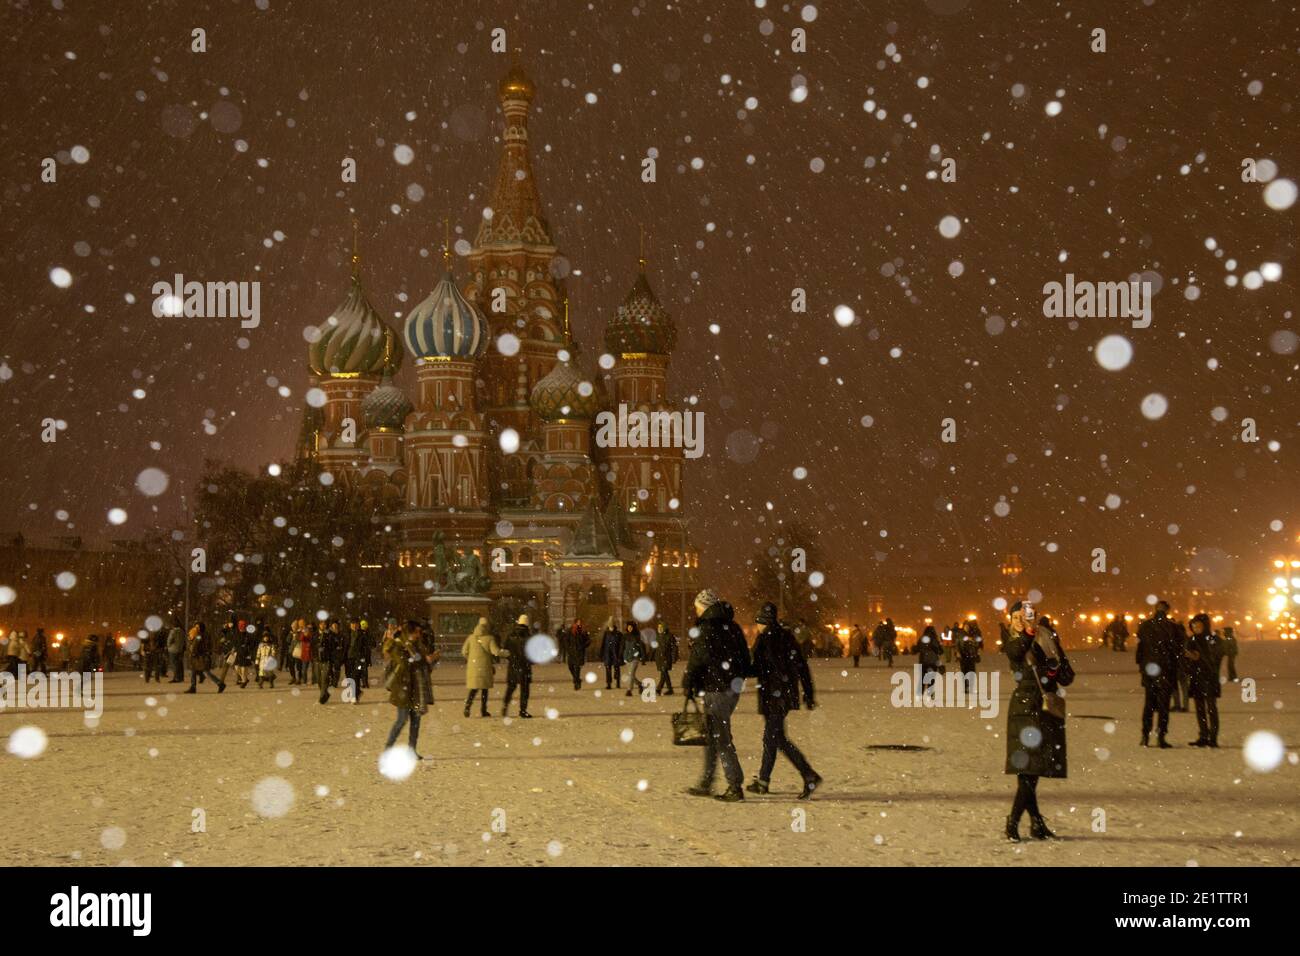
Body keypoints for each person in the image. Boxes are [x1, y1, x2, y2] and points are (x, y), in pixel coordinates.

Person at [1002, 601, 1068, 842]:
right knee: (1029, 770)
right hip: (1025, 706)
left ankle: (1035, 824)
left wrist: (1054, 668)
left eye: (1027, 615)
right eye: (1017, 616)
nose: (1022, 620)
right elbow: (1017, 653)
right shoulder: (1012, 638)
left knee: (1033, 770)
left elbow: (1067, 675)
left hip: (1046, 706)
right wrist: (1028, 632)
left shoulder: (1046, 637)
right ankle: (1014, 823)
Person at [746, 602, 822, 798]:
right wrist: (808, 693)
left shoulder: (763, 640)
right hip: (784, 695)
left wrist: (736, 669)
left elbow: (756, 669)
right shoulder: (787, 637)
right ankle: (763, 781)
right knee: (772, 738)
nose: (757, 626)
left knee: (775, 738)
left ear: (763, 622)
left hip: (772, 696)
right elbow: (802, 666)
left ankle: (809, 774)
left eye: (758, 623)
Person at [683, 588, 751, 802]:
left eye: (697, 607)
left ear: (703, 607)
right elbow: (744, 658)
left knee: (720, 736)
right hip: (732, 686)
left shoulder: (706, 628)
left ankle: (734, 785)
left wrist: (688, 681)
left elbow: (698, 659)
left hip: (716, 687)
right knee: (713, 734)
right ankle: (707, 781)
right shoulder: (733, 627)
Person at [385, 620, 437, 757]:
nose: (419, 635)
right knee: (401, 720)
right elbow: (404, 664)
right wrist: (423, 660)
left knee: (416, 721)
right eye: (417, 632)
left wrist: (430, 660)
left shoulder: (417, 646)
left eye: (420, 632)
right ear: (410, 632)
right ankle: (388, 748)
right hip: (403, 689)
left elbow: (423, 666)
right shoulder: (398, 645)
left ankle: (412, 750)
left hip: (416, 689)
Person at [1136, 600, 1180, 747]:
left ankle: (1145, 736)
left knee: (1149, 705)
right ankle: (1161, 736)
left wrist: (1143, 669)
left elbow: (1140, 650)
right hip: (1165, 671)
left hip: (1150, 671)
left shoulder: (1146, 626)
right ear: (1167, 611)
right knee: (1163, 706)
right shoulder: (1172, 627)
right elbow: (1176, 651)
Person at [1185, 613, 1222, 747]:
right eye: (1193, 626)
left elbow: (1216, 656)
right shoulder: (1191, 640)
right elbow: (1186, 657)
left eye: (1198, 626)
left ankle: (1213, 737)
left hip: (1209, 677)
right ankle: (1203, 735)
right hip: (1196, 677)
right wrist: (1188, 658)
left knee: (1211, 708)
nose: (1196, 628)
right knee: (1200, 709)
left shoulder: (1212, 639)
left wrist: (1198, 656)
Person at [462, 617, 504, 717]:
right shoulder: (490, 638)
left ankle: (467, 707)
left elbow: (464, 651)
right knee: (485, 690)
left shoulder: (471, 638)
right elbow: (495, 652)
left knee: (473, 689)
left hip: (473, 667)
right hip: (485, 667)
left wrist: (471, 660)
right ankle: (483, 710)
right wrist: (506, 653)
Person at [502, 614, 534, 718]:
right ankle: (523, 710)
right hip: (524, 666)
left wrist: (511, 659)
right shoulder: (528, 636)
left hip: (513, 666)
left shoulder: (511, 635)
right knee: (524, 690)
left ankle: (505, 706)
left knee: (511, 687)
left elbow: (505, 651)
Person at [185, 623, 226, 694]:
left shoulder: (199, 636)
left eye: (197, 627)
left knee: (205, 672)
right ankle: (193, 686)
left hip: (199, 657)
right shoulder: (206, 634)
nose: (196, 628)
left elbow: (195, 645)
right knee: (195, 671)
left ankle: (220, 683)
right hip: (203, 656)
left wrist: (193, 652)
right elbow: (209, 645)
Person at [1168, 616, 1190, 713]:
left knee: (1175, 686)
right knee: (1184, 686)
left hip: (1176, 665)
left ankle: (1178, 705)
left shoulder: (1173, 640)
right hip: (1183, 665)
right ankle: (1185, 706)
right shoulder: (1186, 639)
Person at [346, 619, 371, 701]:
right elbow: (344, 646)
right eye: (352, 624)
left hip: (359, 659)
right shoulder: (347, 634)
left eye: (356, 624)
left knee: (356, 676)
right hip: (348, 658)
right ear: (350, 625)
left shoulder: (362, 634)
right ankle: (357, 692)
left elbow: (367, 647)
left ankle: (354, 696)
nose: (354, 626)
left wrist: (366, 659)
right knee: (349, 677)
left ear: (358, 625)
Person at [917, 624, 943, 691]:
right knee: (931, 677)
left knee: (923, 678)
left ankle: (921, 692)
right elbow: (940, 651)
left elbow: (917, 648)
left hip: (923, 661)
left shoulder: (922, 638)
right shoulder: (934, 639)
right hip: (933, 661)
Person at [653, 621, 678, 695]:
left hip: (666, 658)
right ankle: (670, 689)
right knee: (664, 674)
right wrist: (651, 656)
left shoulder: (669, 636)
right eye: (658, 627)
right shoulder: (657, 636)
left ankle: (658, 689)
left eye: (661, 627)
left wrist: (674, 657)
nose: (659, 629)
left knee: (664, 672)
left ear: (664, 628)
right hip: (659, 658)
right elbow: (655, 648)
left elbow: (674, 648)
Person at [623, 622, 646, 697]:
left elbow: (642, 647)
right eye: (628, 627)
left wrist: (643, 658)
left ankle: (629, 690)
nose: (630, 628)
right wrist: (620, 656)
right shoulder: (625, 636)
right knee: (631, 675)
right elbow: (622, 647)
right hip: (627, 657)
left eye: (631, 627)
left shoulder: (637, 636)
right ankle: (640, 685)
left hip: (635, 657)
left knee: (631, 674)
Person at [600, 618, 623, 689]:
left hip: (616, 653)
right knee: (608, 669)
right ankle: (609, 683)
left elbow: (621, 644)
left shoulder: (618, 634)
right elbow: (603, 644)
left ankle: (618, 682)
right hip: (607, 653)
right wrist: (601, 653)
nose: (611, 625)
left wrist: (620, 653)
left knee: (617, 668)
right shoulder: (606, 633)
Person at [567, 620, 590, 690]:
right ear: (575, 623)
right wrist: (569, 648)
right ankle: (577, 679)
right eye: (578, 622)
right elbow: (566, 640)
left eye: (580, 622)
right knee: (570, 667)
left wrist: (582, 646)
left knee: (577, 668)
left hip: (579, 653)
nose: (579, 624)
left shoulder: (583, 632)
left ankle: (576, 684)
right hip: (571, 653)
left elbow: (588, 641)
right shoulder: (570, 631)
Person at [957, 621, 981, 685]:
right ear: (963, 626)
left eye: (968, 626)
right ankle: (965, 686)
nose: (967, 628)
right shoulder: (961, 633)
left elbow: (976, 644)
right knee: (964, 671)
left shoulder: (972, 634)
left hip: (971, 655)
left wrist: (977, 651)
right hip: (963, 654)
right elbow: (958, 643)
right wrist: (958, 652)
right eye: (966, 626)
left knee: (972, 671)